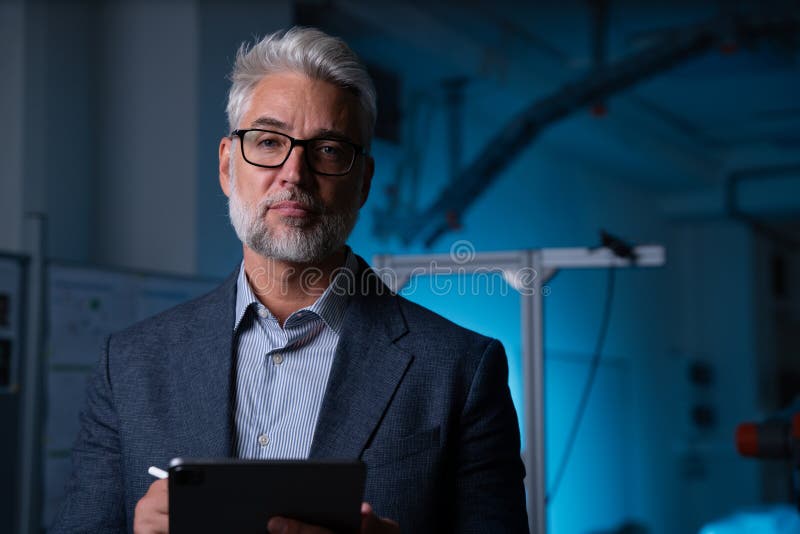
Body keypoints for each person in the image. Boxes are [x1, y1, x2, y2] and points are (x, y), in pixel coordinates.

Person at [52, 26, 528, 533]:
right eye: (268, 141)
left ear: (363, 182)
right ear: (227, 166)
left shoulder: (461, 370)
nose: (294, 173)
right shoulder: (129, 365)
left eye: (328, 150)